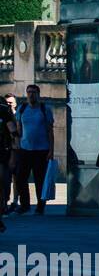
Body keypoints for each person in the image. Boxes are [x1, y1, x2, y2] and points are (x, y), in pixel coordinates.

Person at [13, 84, 54, 214]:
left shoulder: (44, 109)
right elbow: (19, 129)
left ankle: (40, 206)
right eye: (29, 92)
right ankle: (25, 205)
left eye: (34, 92)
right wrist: (16, 143)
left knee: (40, 179)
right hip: (25, 149)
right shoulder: (22, 108)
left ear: (38, 94)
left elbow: (50, 131)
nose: (31, 94)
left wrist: (51, 150)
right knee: (20, 178)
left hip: (41, 150)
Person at [0, 100, 15, 232]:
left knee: (2, 184)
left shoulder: (3, 110)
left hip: (2, 154)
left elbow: (13, 134)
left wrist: (13, 156)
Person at [3, 94, 18, 214]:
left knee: (5, 180)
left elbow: (14, 135)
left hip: (4, 152)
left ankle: (4, 204)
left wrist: (14, 153)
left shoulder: (4, 112)